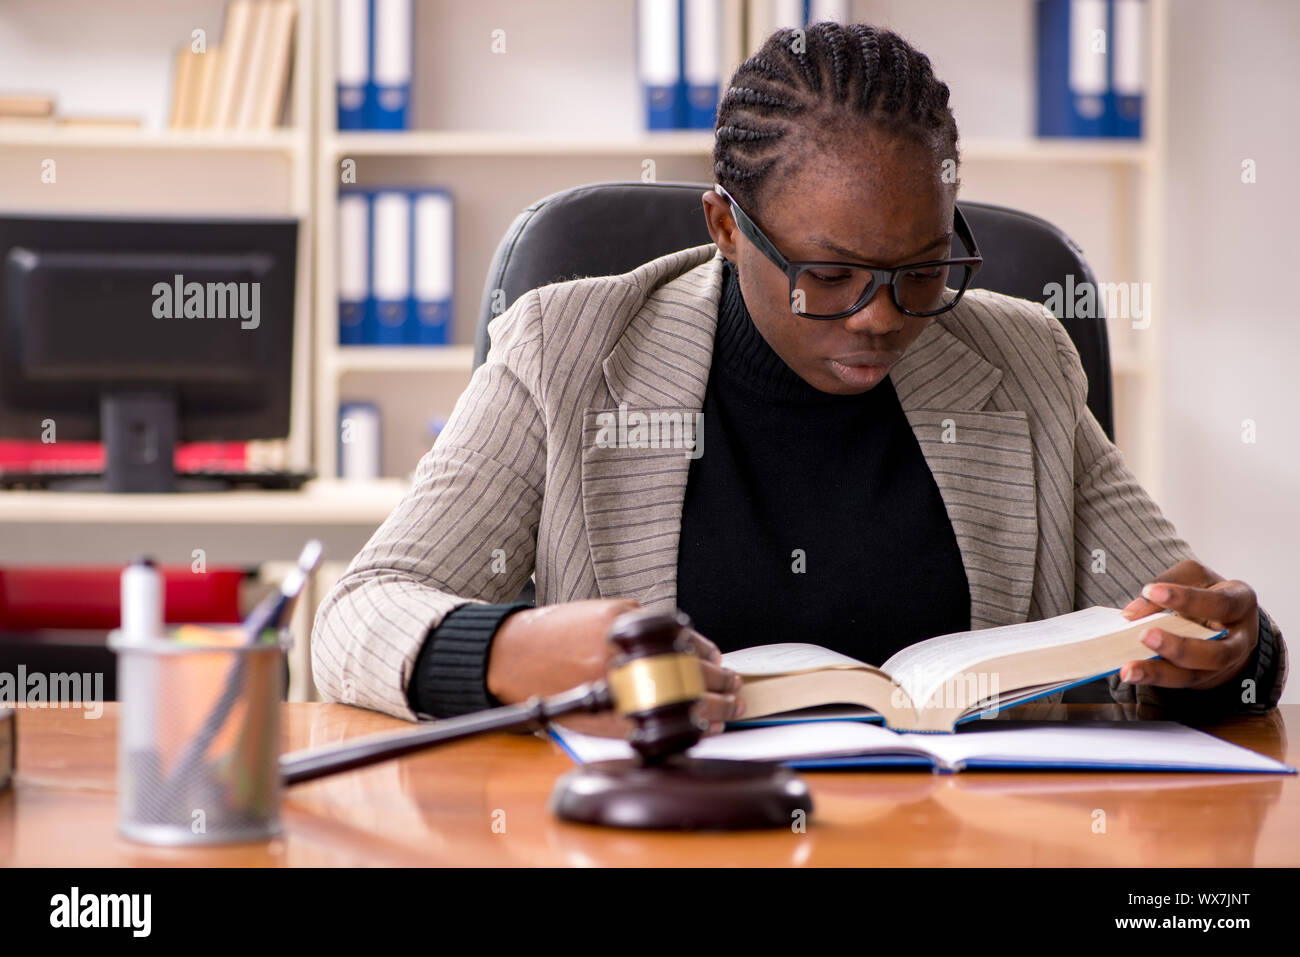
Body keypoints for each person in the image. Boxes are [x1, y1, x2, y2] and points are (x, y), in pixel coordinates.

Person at [312, 22, 1285, 738]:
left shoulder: (1019, 359)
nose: (882, 315)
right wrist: (509, 653)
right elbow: (358, 616)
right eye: (827, 274)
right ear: (726, 228)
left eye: (921, 269)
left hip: (965, 846)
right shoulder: (564, 347)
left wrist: (1229, 653)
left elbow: (1182, 625)